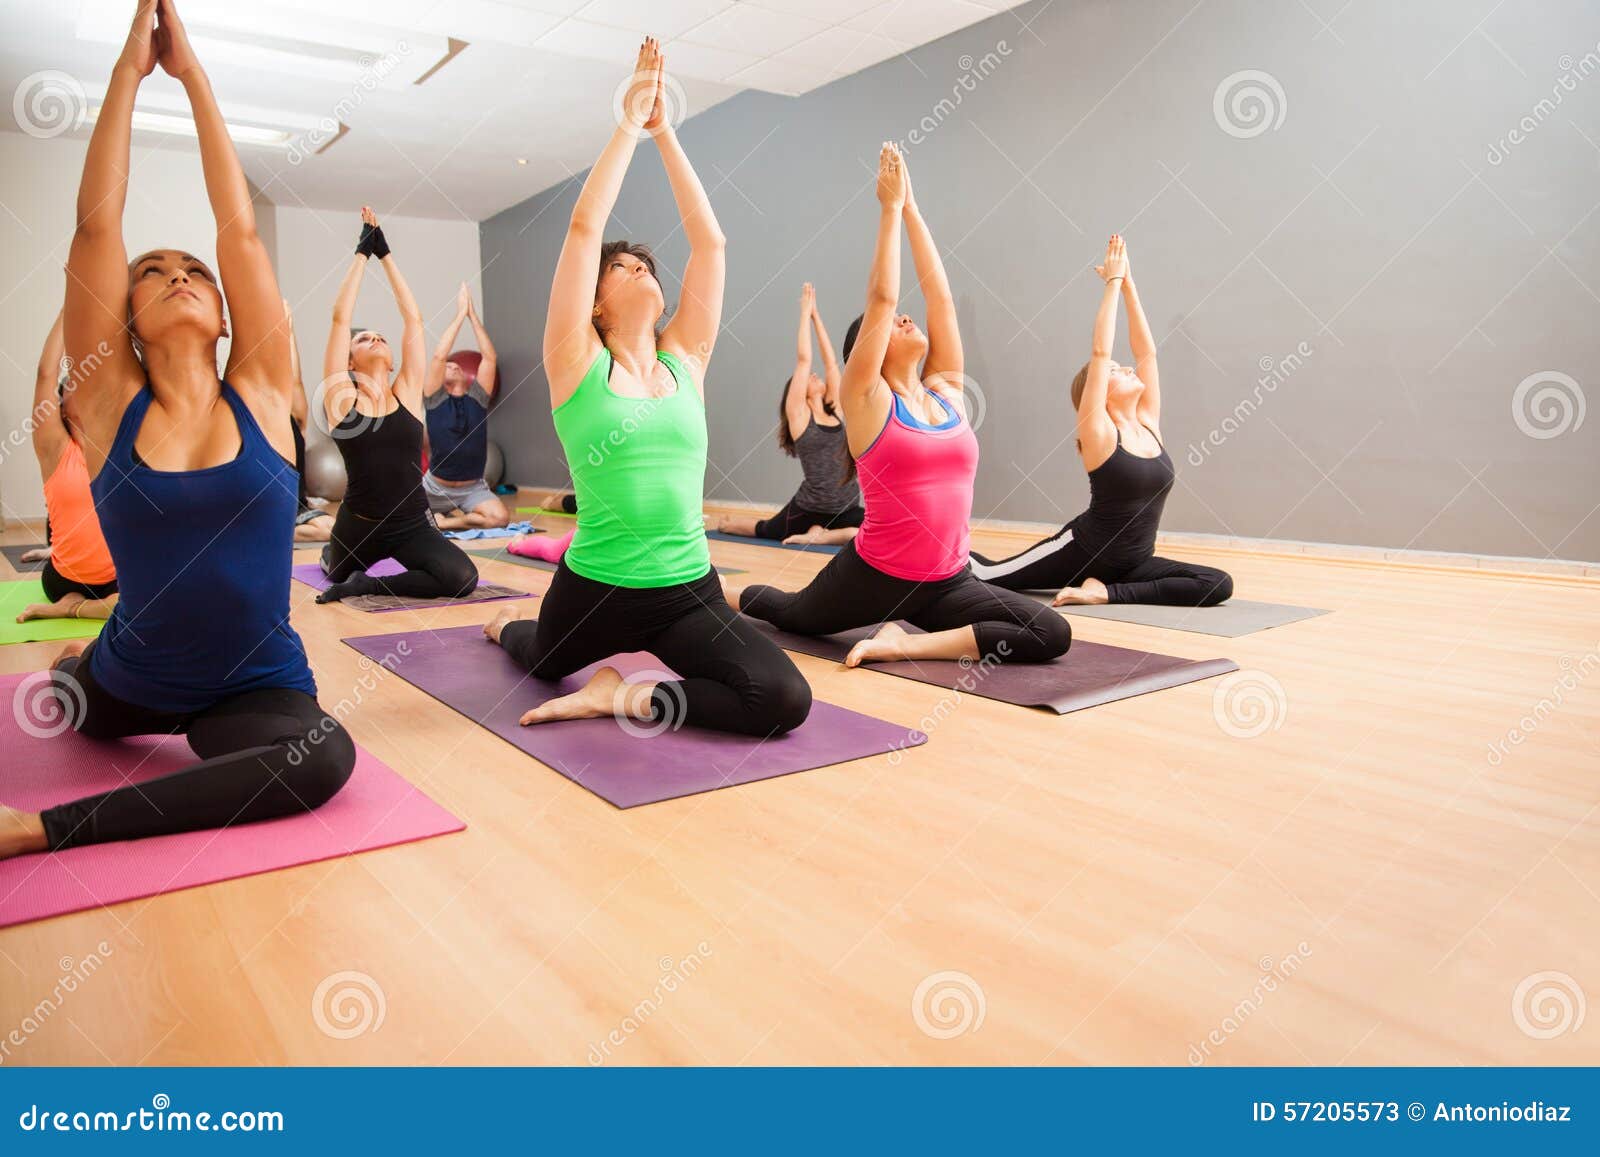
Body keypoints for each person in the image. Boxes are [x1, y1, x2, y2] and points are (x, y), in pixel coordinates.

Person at [0, 0, 354, 861]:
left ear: (227, 315)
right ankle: (79, 657)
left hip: (255, 686)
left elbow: (240, 231)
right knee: (63, 695)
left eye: (195, 270)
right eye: (153, 273)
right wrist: (128, 72)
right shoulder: (108, 402)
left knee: (324, 758)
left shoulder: (263, 391)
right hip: (130, 679)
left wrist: (193, 76)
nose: (179, 275)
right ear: (123, 316)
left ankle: (44, 829)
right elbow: (96, 226)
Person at [484, 38, 811, 737]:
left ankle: (621, 697)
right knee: (540, 659)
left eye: (646, 266)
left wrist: (666, 133)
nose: (639, 269)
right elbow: (584, 228)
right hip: (594, 590)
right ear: (594, 304)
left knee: (783, 698)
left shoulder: (687, 359)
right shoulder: (576, 361)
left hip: (687, 591)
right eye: (621, 267)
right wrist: (629, 122)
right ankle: (508, 624)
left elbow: (711, 245)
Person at [732, 145, 1071, 669]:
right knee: (789, 612)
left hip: (948, 581)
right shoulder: (867, 400)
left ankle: (903, 643)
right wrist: (889, 211)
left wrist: (912, 208)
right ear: (866, 349)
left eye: (904, 318)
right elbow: (882, 300)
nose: (905, 318)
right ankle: (709, 590)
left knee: (1051, 631)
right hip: (874, 576)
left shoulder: (947, 393)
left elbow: (941, 300)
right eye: (893, 324)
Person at [969, 236, 1233, 607]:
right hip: (1081, 552)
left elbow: (1146, 353)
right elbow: (1099, 351)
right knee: (985, 574)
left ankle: (1103, 592)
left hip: (1133, 564)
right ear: (1098, 393)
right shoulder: (1100, 433)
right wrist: (1112, 284)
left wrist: (1129, 285)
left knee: (1217, 583)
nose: (1126, 368)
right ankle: (931, 550)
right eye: (1114, 371)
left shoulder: (1147, 424)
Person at [315, 207, 479, 604]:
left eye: (381, 338)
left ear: (392, 361)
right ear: (349, 362)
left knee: (462, 578)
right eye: (364, 339)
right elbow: (339, 320)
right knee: (334, 570)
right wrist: (361, 253)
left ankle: (369, 584)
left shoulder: (406, 392)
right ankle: (330, 554)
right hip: (358, 526)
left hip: (411, 524)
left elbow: (413, 320)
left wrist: (385, 255)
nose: (374, 339)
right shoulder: (342, 401)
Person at [708, 283, 863, 546]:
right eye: (808, 378)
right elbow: (804, 360)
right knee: (766, 529)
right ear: (798, 391)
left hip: (845, 509)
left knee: (876, 532)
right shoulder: (800, 417)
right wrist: (803, 314)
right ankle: (728, 523)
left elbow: (831, 363)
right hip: (810, 507)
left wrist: (816, 316)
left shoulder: (835, 411)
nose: (815, 375)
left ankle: (821, 535)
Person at [14, 312, 119, 625]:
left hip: (115, 580)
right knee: (128, 608)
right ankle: (80, 602)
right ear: (61, 407)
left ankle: (69, 608)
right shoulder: (54, 449)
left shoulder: (118, 447)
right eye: (74, 384)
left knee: (151, 603)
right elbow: (46, 373)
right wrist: (68, 309)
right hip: (62, 579)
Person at [424, 283, 510, 530]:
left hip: (473, 488)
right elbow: (439, 356)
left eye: (456, 366)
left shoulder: (477, 399)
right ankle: (444, 518)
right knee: (398, 518)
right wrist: (459, 315)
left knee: (499, 519)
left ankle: (449, 522)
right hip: (434, 487)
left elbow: (489, 358)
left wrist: (472, 316)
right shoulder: (434, 399)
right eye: (448, 366)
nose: (452, 365)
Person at [285, 300, 334, 543]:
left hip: (294, 509)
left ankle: (271, 534)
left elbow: (295, 379)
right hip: (260, 510)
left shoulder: (294, 422)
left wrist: (288, 328)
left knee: (331, 529)